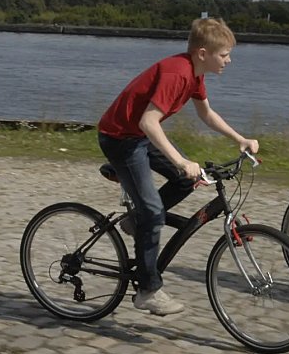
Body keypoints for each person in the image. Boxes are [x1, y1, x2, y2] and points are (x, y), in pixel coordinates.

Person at [98, 17, 259, 316]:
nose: (229, 60)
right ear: (202, 53)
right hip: (120, 139)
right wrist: (181, 160)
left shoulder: (195, 74)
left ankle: (137, 222)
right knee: (155, 212)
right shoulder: (177, 74)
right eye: (223, 54)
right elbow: (149, 121)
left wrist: (240, 138)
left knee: (186, 180)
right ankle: (148, 291)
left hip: (139, 137)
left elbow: (206, 114)